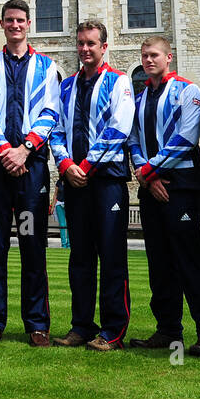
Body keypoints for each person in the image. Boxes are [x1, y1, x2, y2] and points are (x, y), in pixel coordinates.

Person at [127, 36, 200, 357]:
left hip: (181, 186)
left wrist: (149, 171)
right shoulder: (140, 98)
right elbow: (133, 140)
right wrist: (144, 173)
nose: (148, 60)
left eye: (153, 55)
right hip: (150, 187)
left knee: (189, 260)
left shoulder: (187, 91)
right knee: (159, 262)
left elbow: (186, 138)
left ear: (168, 57)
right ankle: (168, 330)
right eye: (144, 56)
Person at [0, 0, 61, 347]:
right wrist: (6, 151)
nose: (15, 25)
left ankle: (37, 325)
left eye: (20, 20)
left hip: (31, 168)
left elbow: (50, 113)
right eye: (9, 20)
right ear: (1, 23)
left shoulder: (47, 67)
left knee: (32, 245)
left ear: (29, 23)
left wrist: (24, 149)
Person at [49, 20, 135, 352]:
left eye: (91, 43)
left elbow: (119, 127)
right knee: (80, 257)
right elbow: (55, 127)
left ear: (104, 47)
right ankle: (82, 325)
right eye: (81, 43)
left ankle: (113, 330)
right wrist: (66, 164)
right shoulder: (67, 86)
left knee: (112, 255)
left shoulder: (119, 81)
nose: (85, 49)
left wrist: (86, 164)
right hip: (75, 181)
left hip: (107, 179)